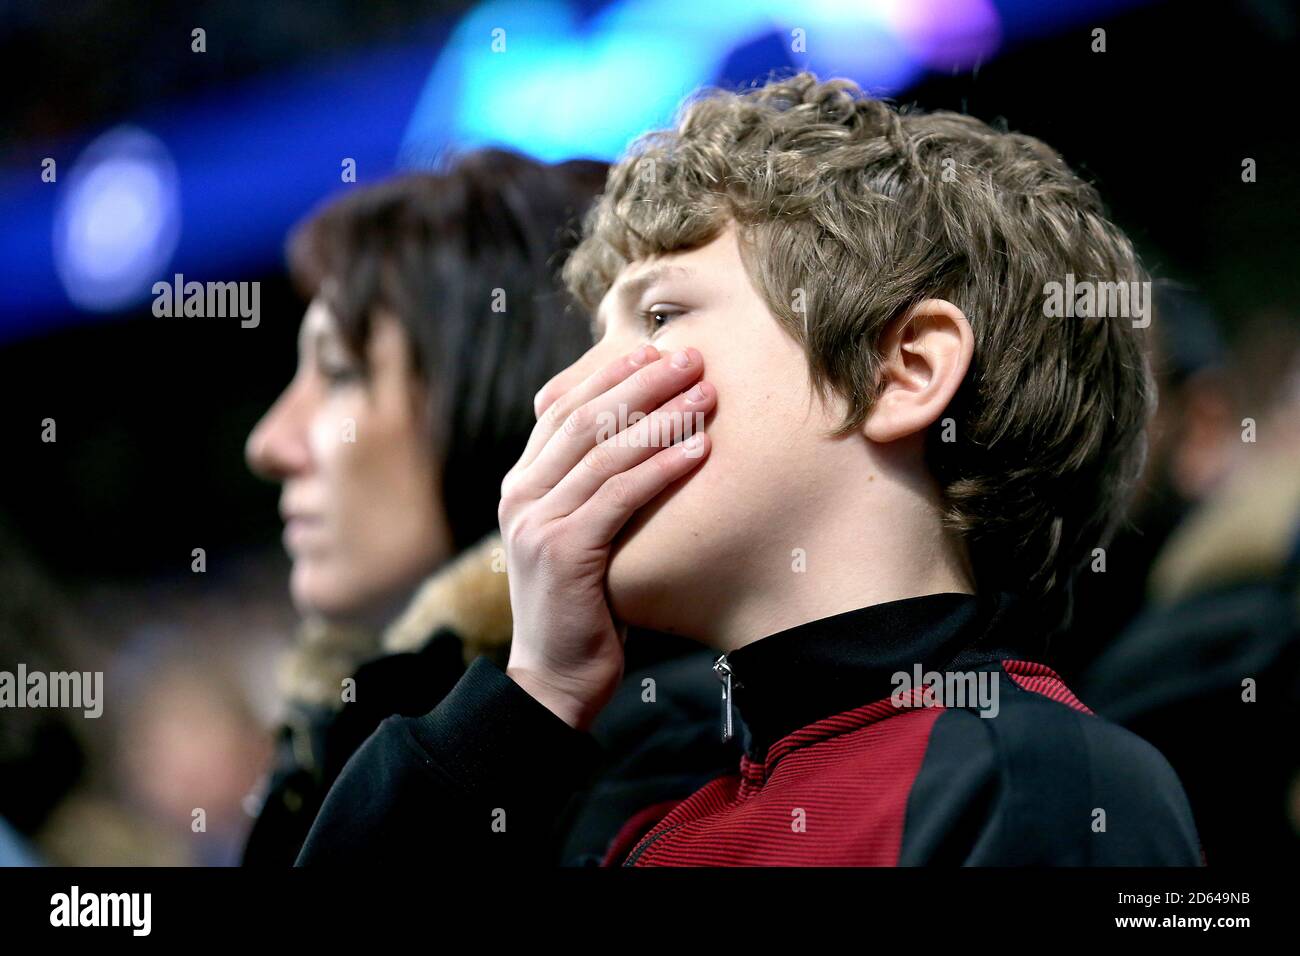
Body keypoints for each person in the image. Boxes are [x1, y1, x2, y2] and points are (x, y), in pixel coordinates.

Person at [298, 74, 1202, 866]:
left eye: (657, 318)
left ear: (906, 372)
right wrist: (534, 691)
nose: (564, 395)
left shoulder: (1041, 782)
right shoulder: (642, 822)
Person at [241, 150, 736, 866]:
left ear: (511, 391)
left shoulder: (666, 752)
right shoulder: (349, 720)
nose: (269, 444)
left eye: (341, 373)